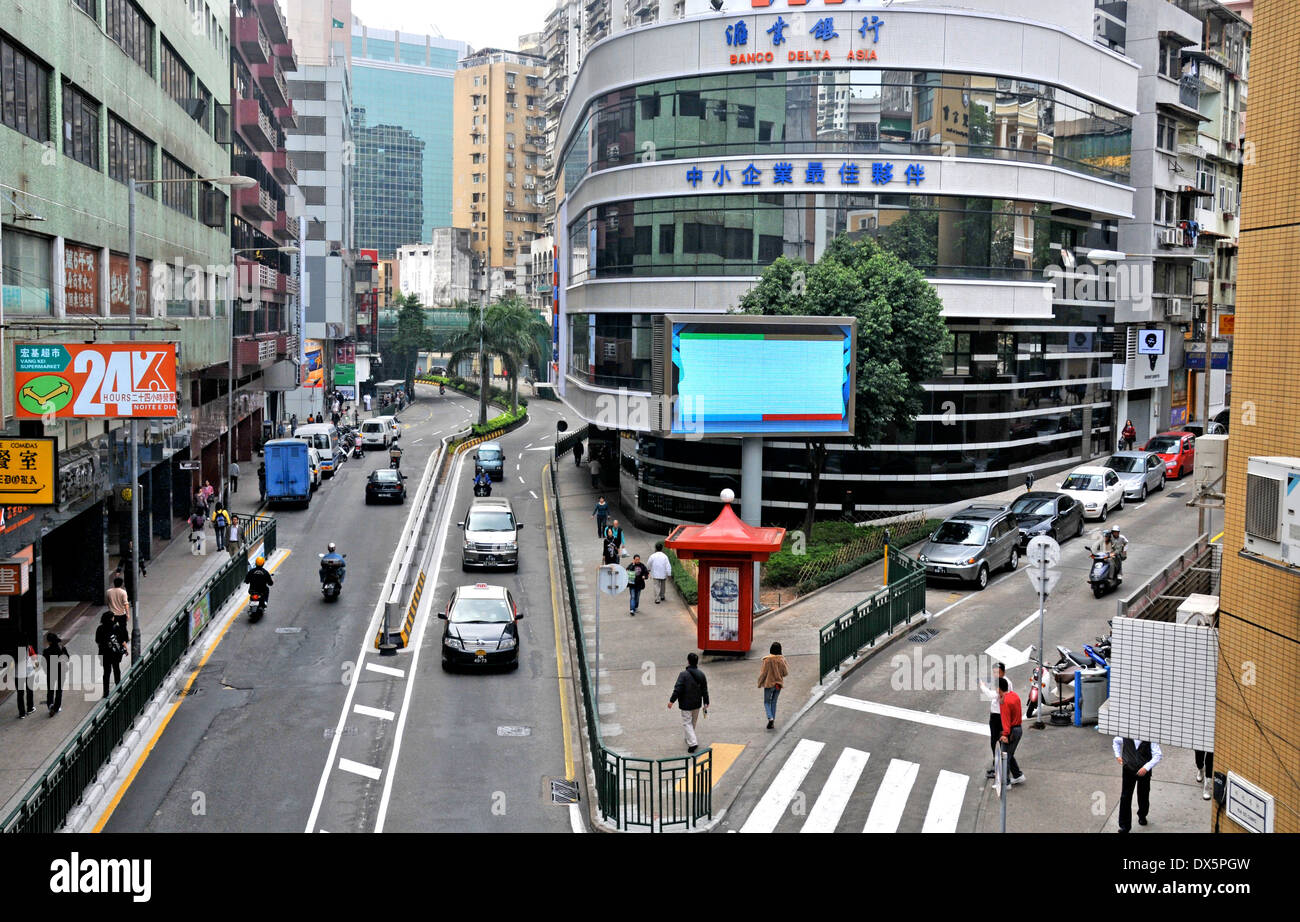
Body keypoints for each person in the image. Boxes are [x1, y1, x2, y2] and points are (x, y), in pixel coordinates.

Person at [1114, 737, 1162, 832]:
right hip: (1128, 769)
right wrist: (1118, 756)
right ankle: (1124, 826)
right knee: (1125, 796)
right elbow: (1115, 741)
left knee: (1143, 794)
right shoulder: (1125, 735)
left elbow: (1158, 755)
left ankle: (1142, 815)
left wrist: (1146, 768)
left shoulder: (1150, 737)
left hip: (1144, 771)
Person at [668, 653, 709, 753]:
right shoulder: (701, 674)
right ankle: (689, 738)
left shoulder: (683, 675)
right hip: (697, 703)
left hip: (686, 704)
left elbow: (678, 689)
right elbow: (704, 690)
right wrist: (706, 702)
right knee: (692, 723)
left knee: (687, 723)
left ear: (688, 661)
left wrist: (671, 701)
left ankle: (692, 742)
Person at [979, 662, 1012, 779]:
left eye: (997, 672)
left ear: (1003, 671)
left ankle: (998, 768)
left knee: (997, 741)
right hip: (996, 715)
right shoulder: (1000, 681)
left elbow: (992, 695)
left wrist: (982, 686)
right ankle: (996, 765)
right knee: (994, 741)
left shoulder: (1005, 683)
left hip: (999, 716)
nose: (995, 674)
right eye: (994, 672)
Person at [998, 678, 1025, 786]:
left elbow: (1006, 720)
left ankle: (1006, 783)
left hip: (1011, 732)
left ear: (999, 689)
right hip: (1018, 729)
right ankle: (1018, 775)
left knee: (1004, 756)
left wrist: (1005, 734)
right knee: (1009, 754)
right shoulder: (1014, 695)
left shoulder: (1004, 701)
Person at [757, 641, 789, 729]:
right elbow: (785, 673)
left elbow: (763, 673)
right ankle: (773, 720)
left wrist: (759, 683)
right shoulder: (782, 659)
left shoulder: (767, 660)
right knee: (774, 702)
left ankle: (770, 717)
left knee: (766, 702)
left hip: (769, 684)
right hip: (778, 684)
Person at [95, 611, 125, 698]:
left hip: (105, 654)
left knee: (106, 672)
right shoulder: (116, 627)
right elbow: (121, 639)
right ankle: (118, 687)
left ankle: (106, 691)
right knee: (116, 670)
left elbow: (97, 641)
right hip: (115, 653)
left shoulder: (100, 628)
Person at [43, 632, 67, 716]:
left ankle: (50, 705)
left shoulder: (46, 651)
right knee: (59, 690)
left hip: (51, 672)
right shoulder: (62, 648)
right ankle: (56, 707)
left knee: (50, 690)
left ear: (49, 642)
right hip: (61, 672)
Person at [14, 643, 37, 718]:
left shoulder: (13, 648)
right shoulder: (29, 647)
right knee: (29, 690)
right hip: (29, 672)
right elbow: (34, 658)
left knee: (20, 693)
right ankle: (30, 708)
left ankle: (22, 713)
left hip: (18, 673)